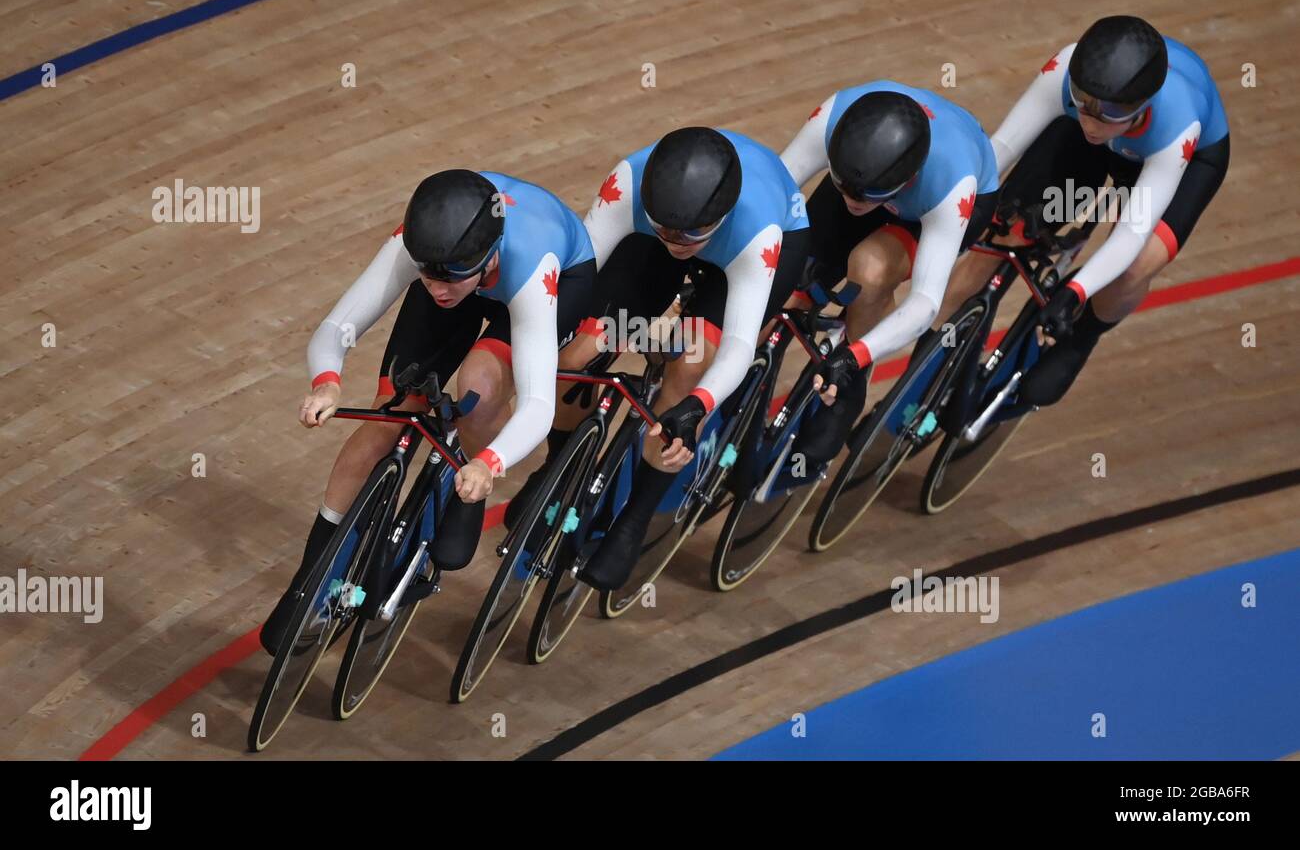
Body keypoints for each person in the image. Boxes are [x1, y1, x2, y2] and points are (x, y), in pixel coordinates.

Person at [260, 169, 596, 655]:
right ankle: (311, 576)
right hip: (471, 267)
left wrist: (489, 463)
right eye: (426, 275)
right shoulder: (424, 250)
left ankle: (469, 487)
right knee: (389, 415)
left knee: (479, 384)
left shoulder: (531, 265)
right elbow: (338, 326)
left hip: (559, 275)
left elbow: (540, 402)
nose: (436, 288)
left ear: (486, 259)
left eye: (449, 278)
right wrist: (326, 383)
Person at [507, 127, 810, 591]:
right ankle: (557, 465)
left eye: (688, 232)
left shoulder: (757, 228)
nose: (676, 238)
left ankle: (636, 515)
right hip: (650, 246)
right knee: (580, 352)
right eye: (666, 226)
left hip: (763, 247)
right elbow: (578, 274)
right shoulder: (628, 185)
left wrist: (697, 406)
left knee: (690, 362)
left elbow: (738, 345)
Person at [945, 15, 1230, 406]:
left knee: (1133, 267)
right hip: (1094, 147)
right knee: (1005, 225)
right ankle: (934, 365)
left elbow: (1132, 230)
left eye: (1108, 111)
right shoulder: (1065, 73)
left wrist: (1077, 293)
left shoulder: (1177, 122)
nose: (1092, 119)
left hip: (1185, 162)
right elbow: (999, 151)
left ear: (1141, 106)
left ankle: (1083, 337)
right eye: (1082, 101)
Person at [779, 83, 1000, 461]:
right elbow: (772, 193)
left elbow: (925, 304)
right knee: (788, 287)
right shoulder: (833, 121)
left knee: (870, 269)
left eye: (863, 197)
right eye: (843, 188)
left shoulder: (950, 183)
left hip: (933, 206)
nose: (851, 203)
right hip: (868, 174)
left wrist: (857, 355)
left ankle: (850, 389)